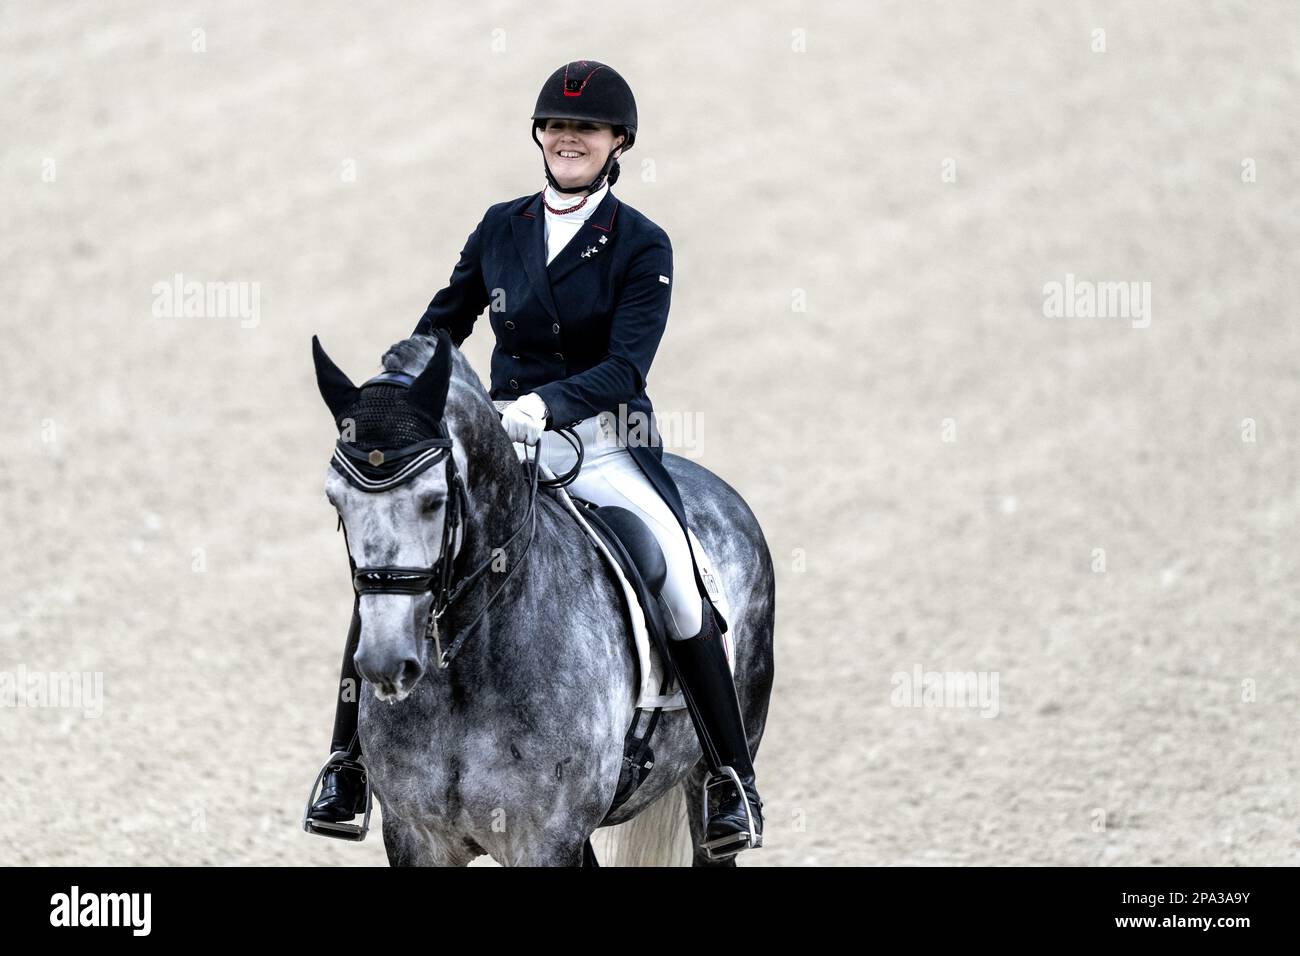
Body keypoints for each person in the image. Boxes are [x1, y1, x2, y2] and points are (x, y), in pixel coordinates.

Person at [307, 60, 763, 858]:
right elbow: (441, 326)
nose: (567, 138)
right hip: (502, 448)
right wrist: (395, 387)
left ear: (617, 142)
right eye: (555, 126)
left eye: (584, 129)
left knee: (673, 575)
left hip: (603, 440)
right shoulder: (501, 227)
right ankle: (347, 763)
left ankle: (728, 779)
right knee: (395, 560)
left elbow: (627, 367)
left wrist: (544, 407)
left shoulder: (640, 244)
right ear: (539, 137)